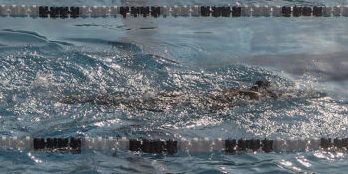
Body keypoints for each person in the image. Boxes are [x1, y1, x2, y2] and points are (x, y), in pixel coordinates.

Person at [61, 79, 291, 112]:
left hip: (186, 95)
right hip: (188, 100)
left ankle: (84, 98)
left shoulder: (239, 91)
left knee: (128, 101)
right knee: (131, 103)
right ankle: (85, 99)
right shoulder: (250, 95)